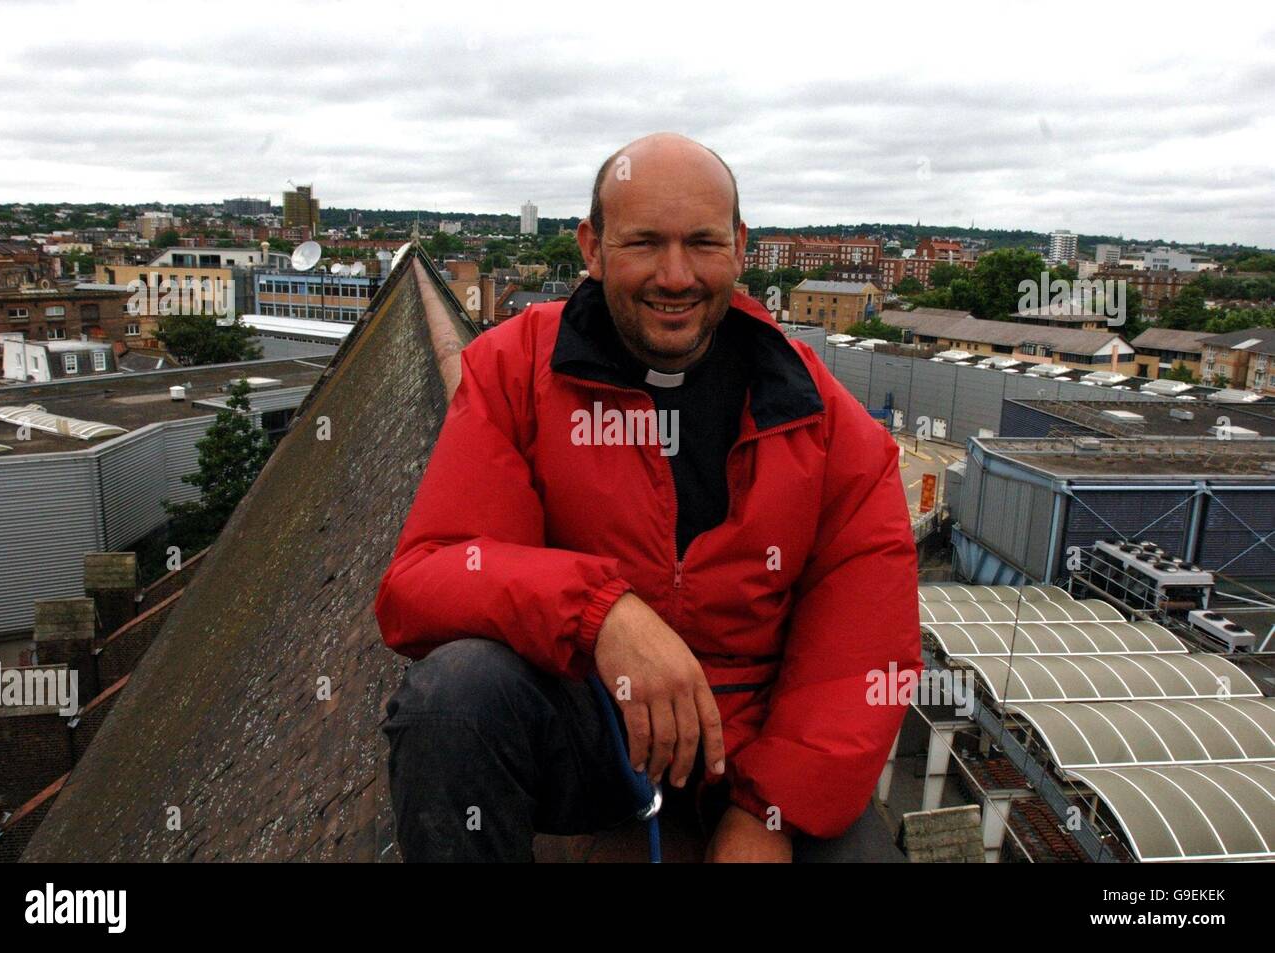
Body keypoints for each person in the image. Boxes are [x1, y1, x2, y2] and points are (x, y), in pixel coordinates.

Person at [375, 132, 921, 862]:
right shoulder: (514, 370)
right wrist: (600, 615)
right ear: (592, 248)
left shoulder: (822, 418)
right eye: (642, 244)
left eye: (702, 243)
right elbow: (425, 581)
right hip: (597, 729)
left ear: (739, 246)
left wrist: (770, 812)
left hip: (758, 750)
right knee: (451, 698)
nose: (675, 275)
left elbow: (866, 654)